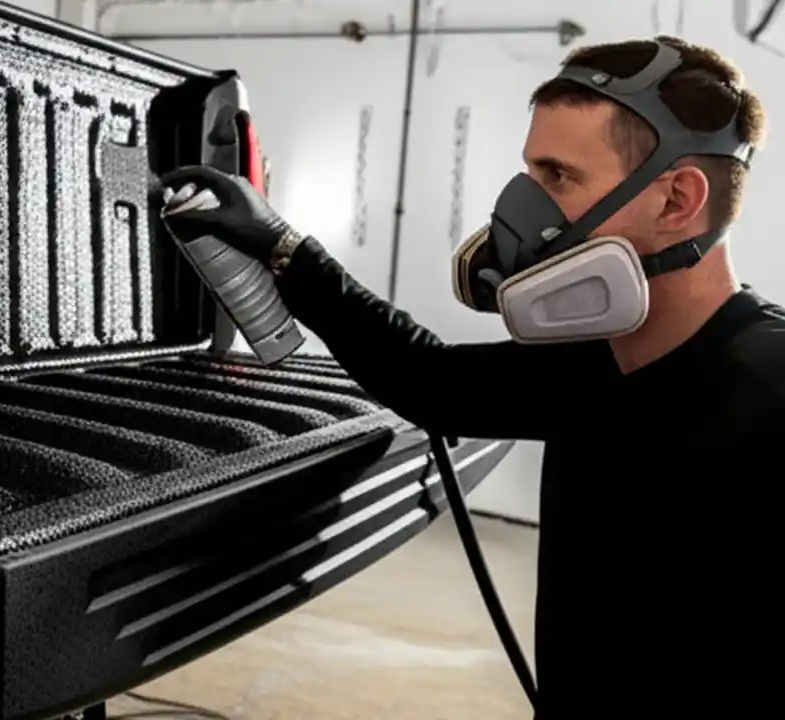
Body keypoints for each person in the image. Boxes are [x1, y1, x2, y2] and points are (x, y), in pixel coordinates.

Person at [157, 35, 784, 718]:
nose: (522, 207)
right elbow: (431, 381)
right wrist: (283, 247)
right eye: (531, 173)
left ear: (676, 201)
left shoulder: (768, 389)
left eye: (558, 177)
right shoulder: (601, 363)